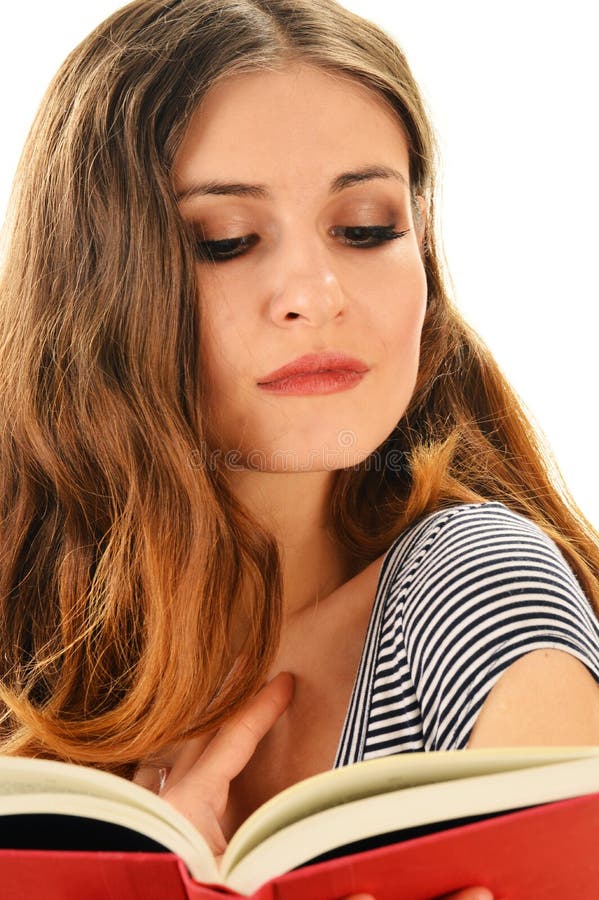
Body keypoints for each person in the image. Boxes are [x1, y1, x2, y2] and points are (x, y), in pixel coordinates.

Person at [1, 2, 599, 899]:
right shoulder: (22, 632)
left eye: (364, 227)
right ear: (93, 286)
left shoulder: (475, 590)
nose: (315, 294)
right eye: (226, 241)